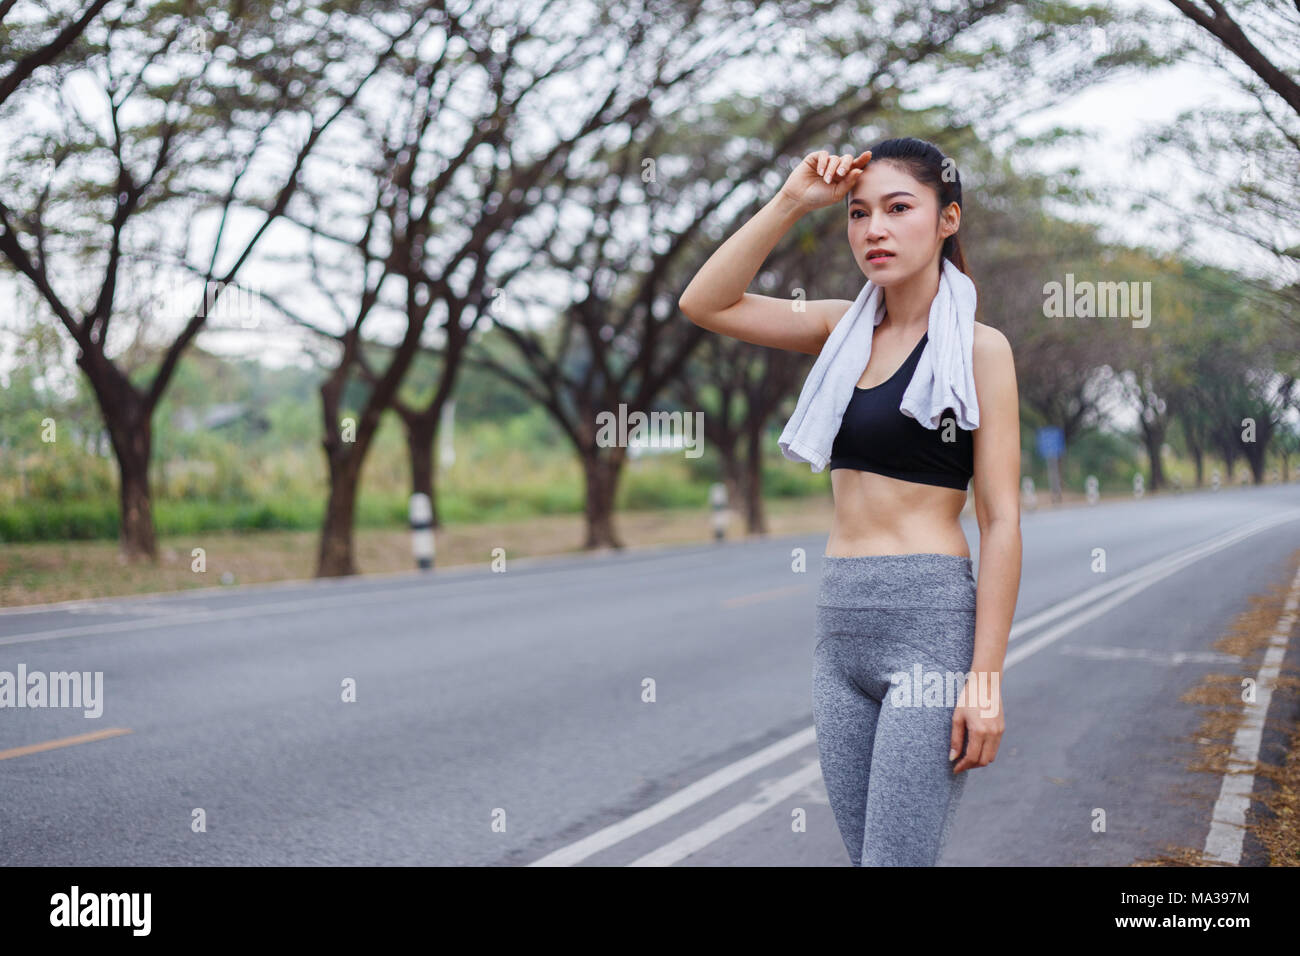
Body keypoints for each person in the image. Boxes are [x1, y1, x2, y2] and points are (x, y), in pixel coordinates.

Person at [678, 137, 1022, 866]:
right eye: (859, 214)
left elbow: (1001, 519)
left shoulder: (980, 350)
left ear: (947, 219)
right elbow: (704, 301)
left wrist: (984, 682)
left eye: (900, 209)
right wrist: (792, 200)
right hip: (840, 629)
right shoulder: (840, 330)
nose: (876, 230)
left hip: (929, 623)